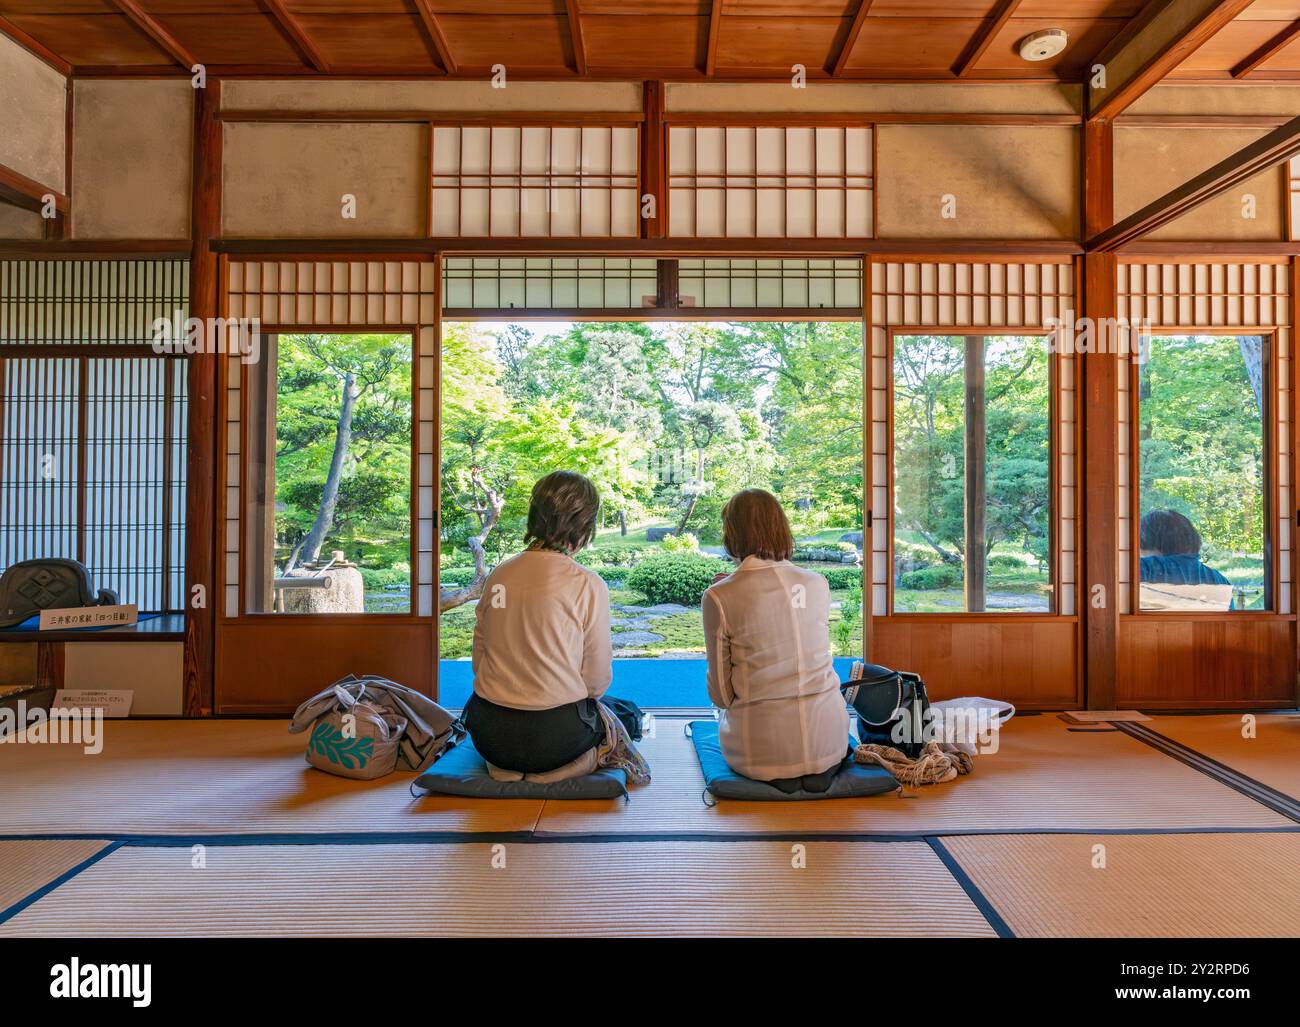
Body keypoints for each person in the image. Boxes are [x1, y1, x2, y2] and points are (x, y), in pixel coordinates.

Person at [463, 470, 614, 780]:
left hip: (490, 735)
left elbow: (480, 661)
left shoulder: (499, 577)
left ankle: (503, 766)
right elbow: (596, 683)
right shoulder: (587, 584)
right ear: (584, 525)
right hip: (558, 739)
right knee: (620, 714)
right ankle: (569, 766)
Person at [702, 488, 851, 792]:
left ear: (732, 534)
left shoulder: (719, 596)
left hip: (759, 754)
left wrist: (725, 592)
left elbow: (720, 697)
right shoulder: (817, 583)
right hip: (831, 743)